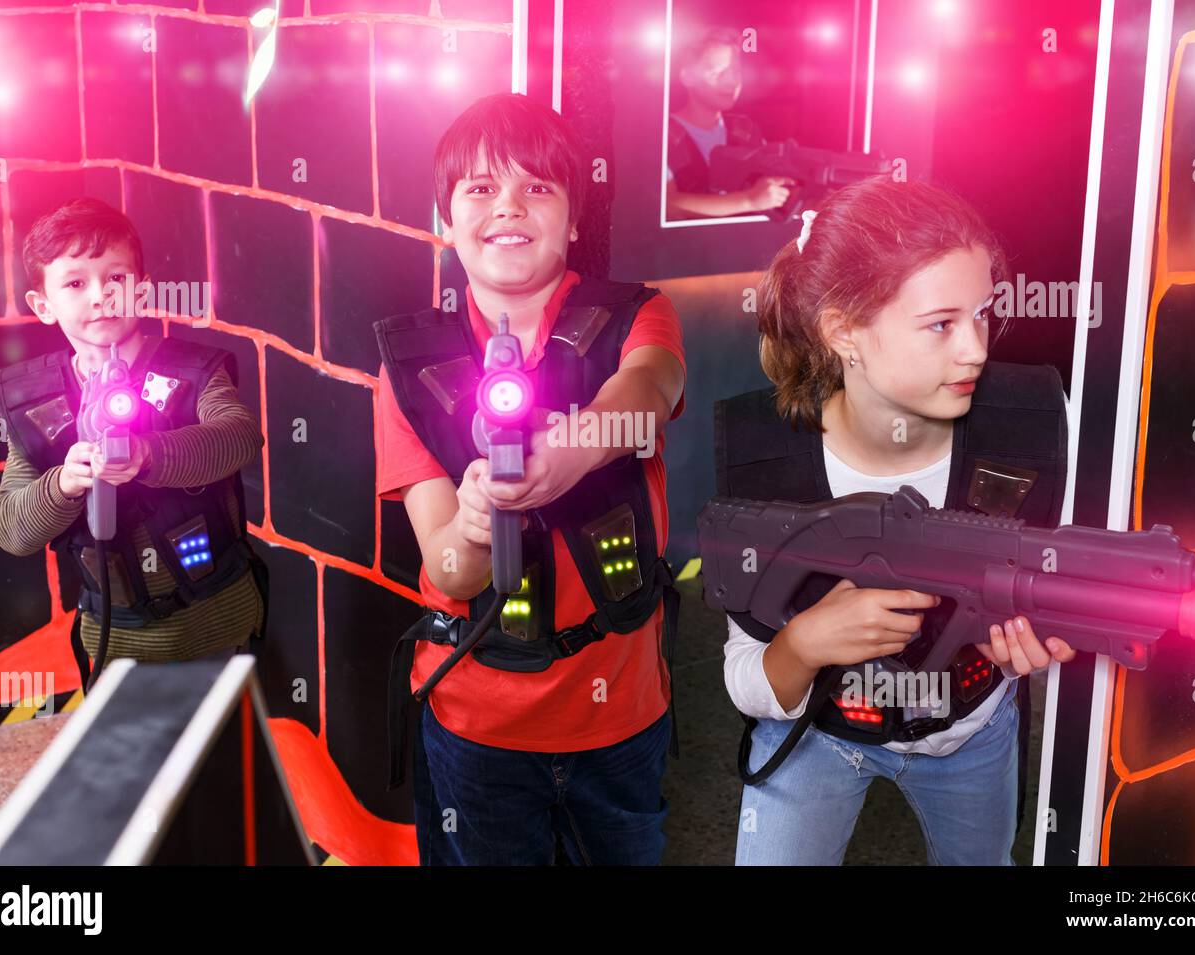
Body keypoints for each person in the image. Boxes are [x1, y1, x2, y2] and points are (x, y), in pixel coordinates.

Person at [718, 177, 1077, 865]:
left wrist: (1042, 639)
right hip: (815, 729)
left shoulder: (1031, 423)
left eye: (983, 314)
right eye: (941, 324)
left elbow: (1066, 586)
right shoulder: (766, 461)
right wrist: (804, 643)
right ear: (843, 333)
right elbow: (745, 671)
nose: (975, 348)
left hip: (967, 732)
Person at [374, 93, 686, 865]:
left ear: (574, 217)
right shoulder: (406, 369)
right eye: (479, 189)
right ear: (445, 218)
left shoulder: (637, 315)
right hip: (477, 724)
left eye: (536, 187)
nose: (508, 206)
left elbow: (647, 397)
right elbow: (446, 566)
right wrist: (480, 517)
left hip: (617, 715)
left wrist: (565, 452)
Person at [0, 198, 267, 677]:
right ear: (42, 305)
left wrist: (148, 454)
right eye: (75, 283)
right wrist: (66, 482)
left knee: (229, 749)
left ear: (142, 289)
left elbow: (240, 436)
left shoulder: (192, 372)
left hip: (219, 623)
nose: (101, 295)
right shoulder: (34, 403)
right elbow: (10, 530)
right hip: (115, 642)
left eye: (116, 277)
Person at [665, 25, 792, 219]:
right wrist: (748, 200)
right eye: (717, 72)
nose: (731, 81)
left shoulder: (745, 130)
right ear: (687, 77)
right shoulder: (664, 135)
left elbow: (773, 184)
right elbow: (665, 205)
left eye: (736, 72)